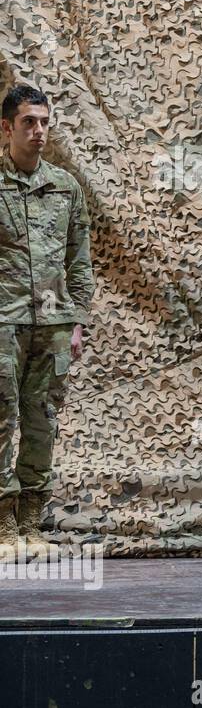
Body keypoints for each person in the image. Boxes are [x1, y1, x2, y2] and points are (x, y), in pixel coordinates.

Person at [0, 84, 95, 553]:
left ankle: (32, 525)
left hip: (53, 324)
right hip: (3, 323)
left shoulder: (64, 186)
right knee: (1, 419)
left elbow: (79, 259)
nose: (38, 132)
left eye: (43, 122)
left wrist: (76, 321)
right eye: (28, 123)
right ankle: (2, 526)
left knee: (43, 421)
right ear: (6, 128)